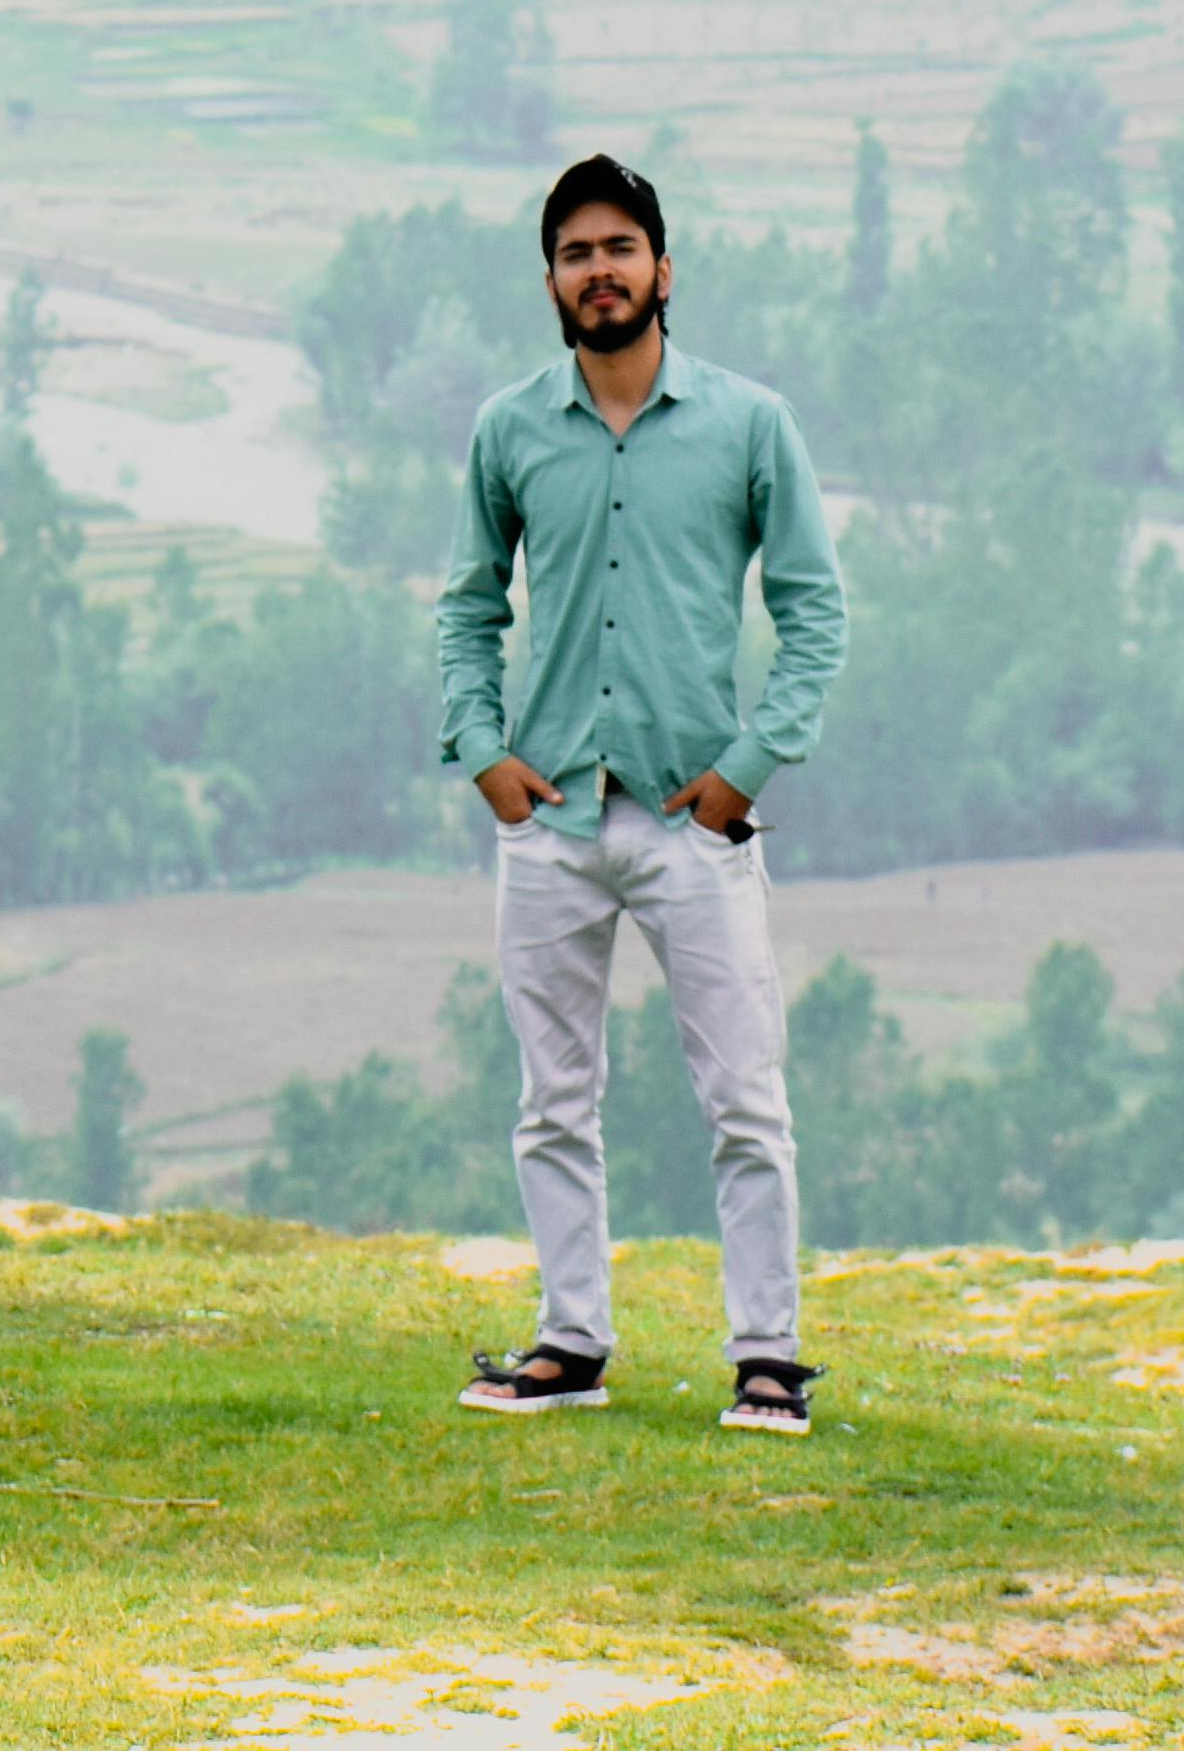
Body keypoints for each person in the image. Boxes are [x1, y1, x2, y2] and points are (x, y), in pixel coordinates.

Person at [432, 149, 848, 1436]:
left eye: (618, 249)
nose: (597, 272)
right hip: (548, 818)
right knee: (553, 1098)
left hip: (691, 817)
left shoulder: (746, 423)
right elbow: (464, 609)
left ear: (663, 272)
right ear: (549, 282)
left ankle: (767, 1357)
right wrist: (484, 754)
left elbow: (813, 612)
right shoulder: (510, 429)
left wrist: (743, 775)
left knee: (745, 1099)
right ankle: (570, 1342)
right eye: (573, 253)